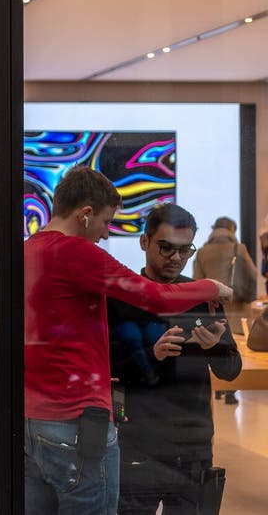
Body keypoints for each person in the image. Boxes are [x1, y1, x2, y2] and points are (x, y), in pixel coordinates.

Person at [25, 167, 233, 515]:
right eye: (107, 223)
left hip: (36, 421)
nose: (106, 235)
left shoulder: (29, 250)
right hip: (78, 422)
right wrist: (213, 287)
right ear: (86, 214)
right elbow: (155, 297)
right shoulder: (76, 253)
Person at [109, 203, 240, 514]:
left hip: (192, 448)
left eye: (185, 250)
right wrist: (151, 355)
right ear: (145, 242)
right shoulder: (121, 297)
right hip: (137, 448)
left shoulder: (201, 297)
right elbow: (108, 370)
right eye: (166, 248)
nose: (176, 258)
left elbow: (231, 370)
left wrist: (215, 348)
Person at [193, 216, 256, 404]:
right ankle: (230, 391)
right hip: (237, 309)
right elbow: (253, 274)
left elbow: (197, 281)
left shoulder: (202, 252)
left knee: (214, 344)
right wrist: (249, 297)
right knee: (233, 349)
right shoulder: (239, 248)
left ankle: (218, 389)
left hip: (212, 310)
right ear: (231, 229)